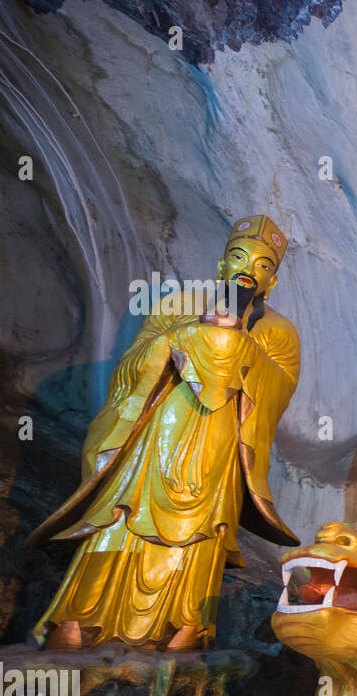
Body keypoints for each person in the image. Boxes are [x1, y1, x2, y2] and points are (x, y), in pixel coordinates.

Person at [29, 215, 300, 650]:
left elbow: (278, 393)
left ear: (271, 281)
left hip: (218, 444)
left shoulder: (279, 333)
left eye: (264, 265)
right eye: (239, 257)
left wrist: (241, 345)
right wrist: (193, 335)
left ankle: (182, 626)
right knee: (123, 516)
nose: (250, 269)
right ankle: (82, 618)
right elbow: (133, 367)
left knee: (201, 529)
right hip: (156, 435)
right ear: (220, 266)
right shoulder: (178, 305)